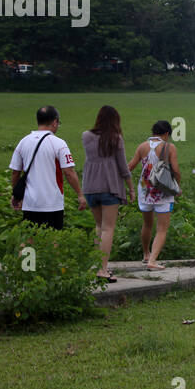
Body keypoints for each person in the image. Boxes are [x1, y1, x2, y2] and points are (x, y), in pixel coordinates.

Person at [9, 105, 86, 229]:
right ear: (55, 122)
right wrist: (80, 195)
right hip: (52, 203)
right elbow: (69, 172)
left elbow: (15, 172)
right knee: (53, 240)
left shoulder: (23, 142)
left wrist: (16, 194)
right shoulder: (59, 143)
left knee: (29, 238)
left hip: (30, 203)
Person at [82, 105, 134, 283]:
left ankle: (97, 265)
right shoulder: (116, 139)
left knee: (98, 227)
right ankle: (102, 269)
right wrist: (131, 188)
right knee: (108, 228)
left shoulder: (86, 136)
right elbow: (123, 167)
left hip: (89, 187)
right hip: (110, 188)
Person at [128, 120, 181, 271]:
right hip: (162, 191)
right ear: (166, 134)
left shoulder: (142, 147)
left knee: (147, 224)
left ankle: (146, 254)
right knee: (162, 228)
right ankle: (152, 261)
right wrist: (177, 186)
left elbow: (130, 167)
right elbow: (176, 170)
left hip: (144, 189)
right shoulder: (169, 147)